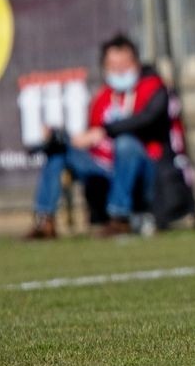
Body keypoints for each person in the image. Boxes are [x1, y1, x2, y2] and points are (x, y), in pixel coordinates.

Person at [25, 34, 170, 239]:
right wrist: (66, 138)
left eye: (124, 63)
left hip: (143, 168)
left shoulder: (152, 88)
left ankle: (120, 218)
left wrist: (105, 131)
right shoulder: (101, 98)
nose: (119, 70)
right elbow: (91, 139)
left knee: (125, 144)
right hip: (105, 167)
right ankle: (44, 221)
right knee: (59, 150)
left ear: (136, 63)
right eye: (113, 64)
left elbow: (147, 118)